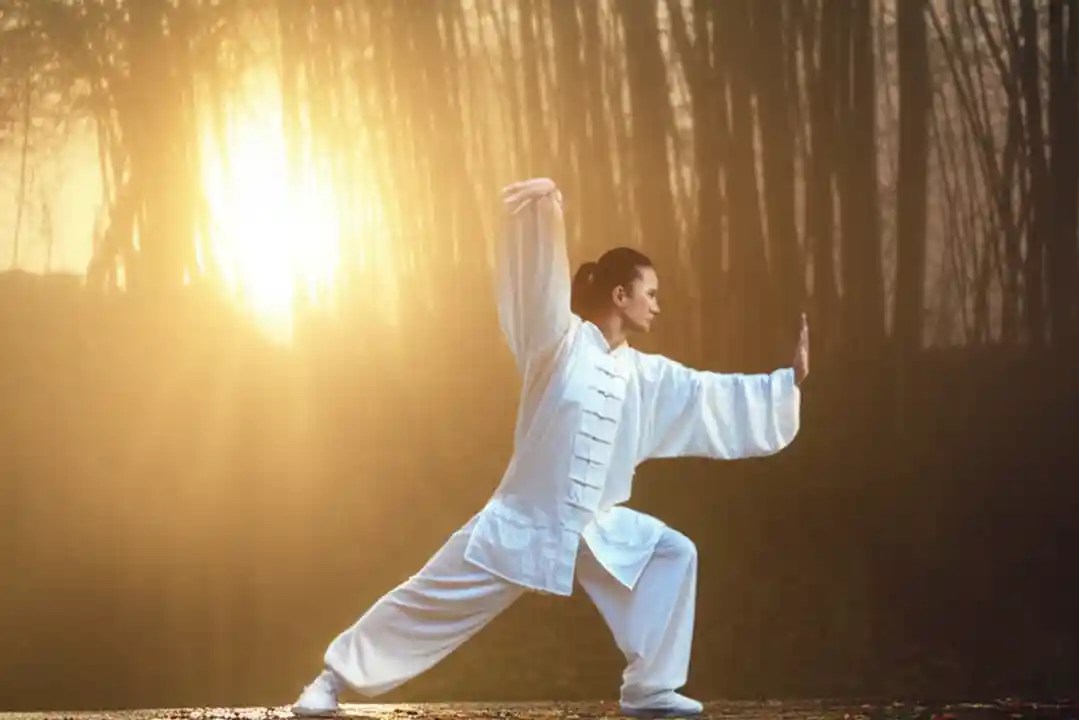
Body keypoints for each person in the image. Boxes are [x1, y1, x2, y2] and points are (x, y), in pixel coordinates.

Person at [291, 178, 809, 719]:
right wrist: (543, 214)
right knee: (429, 597)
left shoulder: (645, 376)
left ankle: (649, 689)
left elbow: (708, 394)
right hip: (522, 521)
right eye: (650, 293)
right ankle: (332, 679)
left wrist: (783, 384)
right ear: (619, 295)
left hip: (593, 526)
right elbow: (540, 284)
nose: (658, 305)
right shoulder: (557, 346)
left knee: (673, 553)